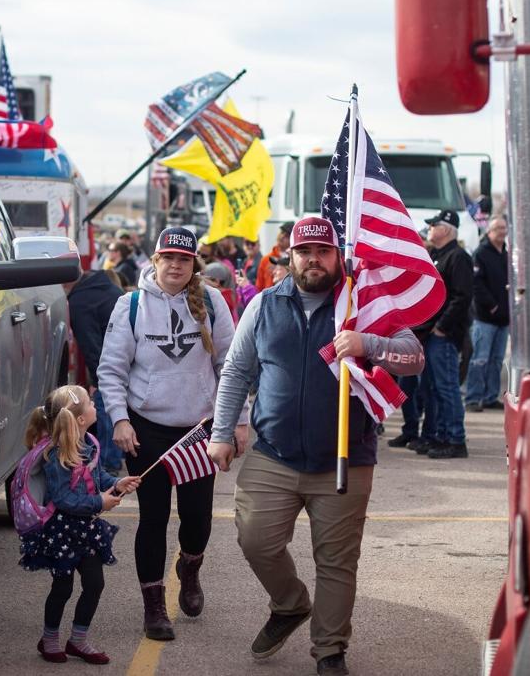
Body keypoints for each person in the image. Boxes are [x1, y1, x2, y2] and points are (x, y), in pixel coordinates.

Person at [208, 217, 425, 676]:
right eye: (304, 252)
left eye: (323, 252)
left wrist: (367, 341)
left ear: (337, 255)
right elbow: (236, 372)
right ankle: (289, 604)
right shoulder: (265, 304)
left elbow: (413, 356)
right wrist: (222, 433)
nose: (313, 260)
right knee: (254, 540)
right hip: (273, 454)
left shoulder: (362, 306)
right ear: (290, 255)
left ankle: (329, 650)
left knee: (337, 562)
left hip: (344, 457)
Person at [96, 226, 241, 641]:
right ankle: (154, 606)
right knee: (153, 519)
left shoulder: (212, 302)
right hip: (147, 429)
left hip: (199, 430)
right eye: (168, 258)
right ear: (154, 260)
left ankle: (190, 568)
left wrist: (236, 422)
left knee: (197, 520)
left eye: (184, 259)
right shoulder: (131, 306)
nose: (175, 266)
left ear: (193, 264)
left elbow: (231, 366)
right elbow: (111, 370)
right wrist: (119, 419)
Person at [20, 385, 142, 665]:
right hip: (62, 531)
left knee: (94, 584)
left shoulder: (90, 443)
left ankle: (78, 639)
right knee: (62, 588)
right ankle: (49, 638)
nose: (94, 405)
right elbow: (63, 499)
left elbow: (98, 478)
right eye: (90, 402)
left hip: (86, 530)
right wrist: (99, 503)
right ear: (79, 419)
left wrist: (116, 484)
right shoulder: (57, 455)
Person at [413, 209, 473, 459]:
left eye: (434, 225)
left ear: (446, 229)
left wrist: (442, 327)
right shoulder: (439, 256)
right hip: (431, 334)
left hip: (443, 336)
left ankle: (455, 439)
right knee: (433, 389)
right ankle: (440, 436)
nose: (430, 229)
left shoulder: (458, 257)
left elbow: (461, 297)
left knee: (446, 388)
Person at [66, 269, 126, 472]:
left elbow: (92, 347)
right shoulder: (108, 289)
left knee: (106, 409)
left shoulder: (79, 302)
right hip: (128, 361)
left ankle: (108, 466)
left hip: (112, 366)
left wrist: (99, 381)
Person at [465, 216, 509, 411]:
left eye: (504, 228)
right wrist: (492, 306)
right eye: (498, 228)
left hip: (504, 319)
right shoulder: (481, 254)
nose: (502, 232)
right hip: (485, 318)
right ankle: (473, 398)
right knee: (480, 359)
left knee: (497, 360)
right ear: (489, 231)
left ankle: (491, 396)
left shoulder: (506, 255)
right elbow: (476, 284)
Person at [256, 221, 294, 290]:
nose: (282, 237)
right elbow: (259, 287)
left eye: (287, 236)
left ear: (292, 240)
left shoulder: (294, 260)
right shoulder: (266, 259)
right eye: (282, 232)